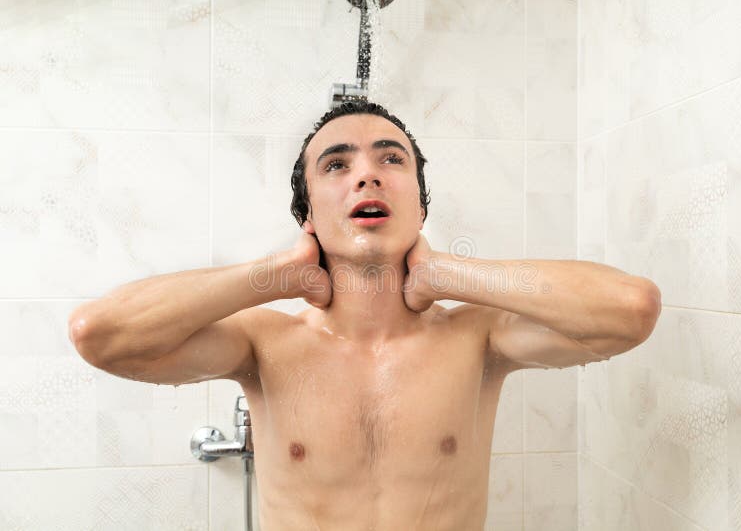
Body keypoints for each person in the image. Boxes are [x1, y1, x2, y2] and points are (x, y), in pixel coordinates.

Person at [68, 101, 662, 530]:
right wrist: (278, 275)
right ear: (308, 216)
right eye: (335, 165)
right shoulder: (263, 344)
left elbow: (629, 310)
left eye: (390, 159)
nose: (366, 174)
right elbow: (101, 334)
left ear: (419, 206)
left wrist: (448, 273)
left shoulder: (478, 340)